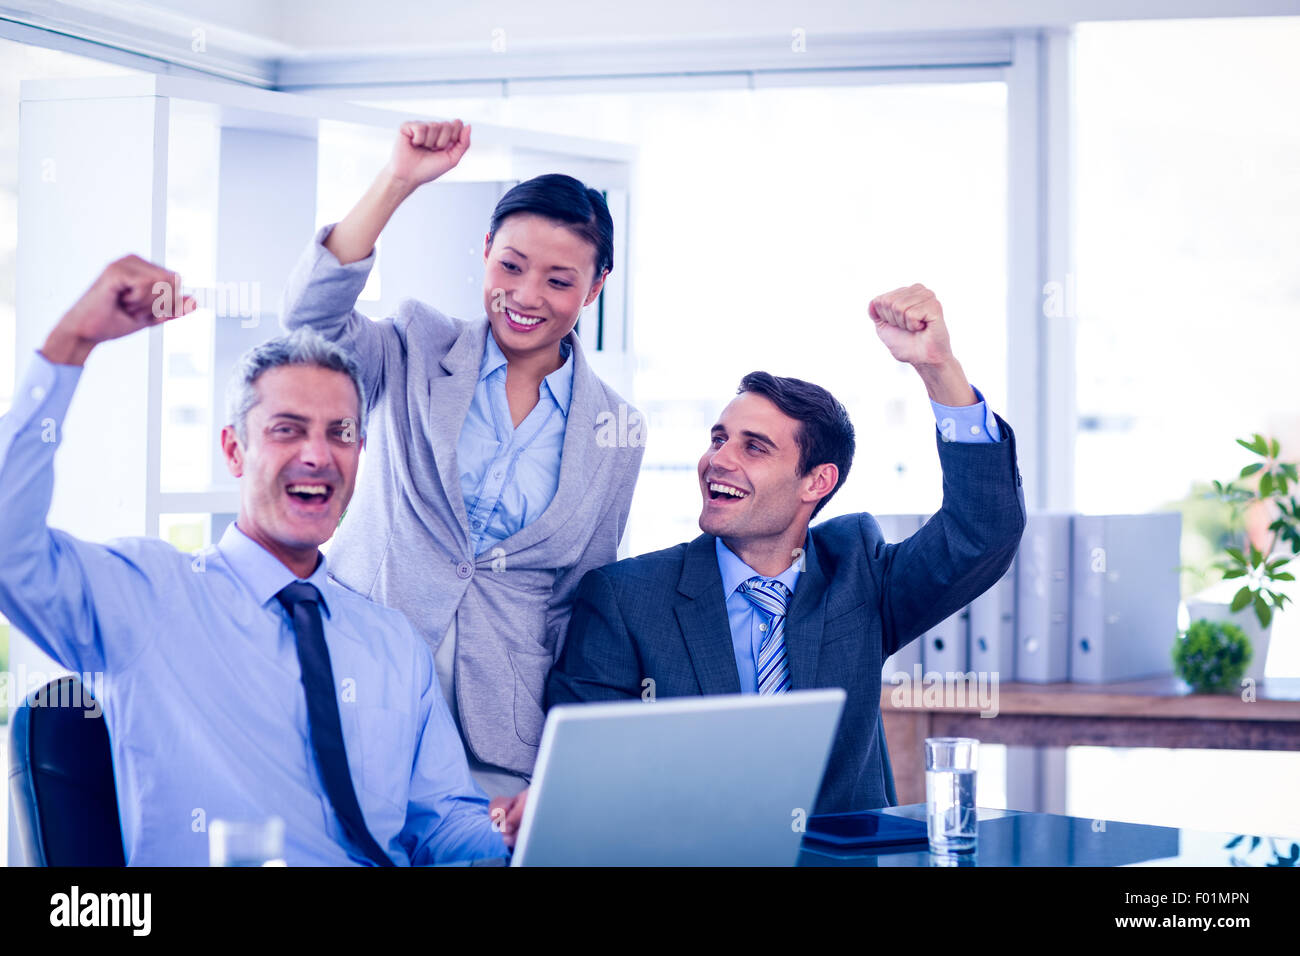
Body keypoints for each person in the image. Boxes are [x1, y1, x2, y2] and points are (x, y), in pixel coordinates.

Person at [0, 255, 516, 865]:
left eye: (340, 433)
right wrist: (73, 343)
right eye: (287, 430)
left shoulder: (392, 644)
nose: (317, 455)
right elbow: (11, 548)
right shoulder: (150, 597)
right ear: (234, 451)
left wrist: (515, 830)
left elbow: (442, 831)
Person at [546, 284, 1027, 813]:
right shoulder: (626, 598)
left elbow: (981, 533)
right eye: (718, 438)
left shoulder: (859, 579)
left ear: (816, 482)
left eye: (754, 447)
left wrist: (939, 369)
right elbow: (586, 777)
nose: (718, 460)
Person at [281, 119, 645, 796]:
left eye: (559, 280)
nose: (526, 296)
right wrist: (398, 181)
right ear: (485, 253)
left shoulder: (616, 428)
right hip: (360, 684)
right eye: (510, 266)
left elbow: (580, 598)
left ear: (595, 288)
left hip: (502, 730)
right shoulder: (417, 346)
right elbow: (309, 323)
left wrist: (572, 756)